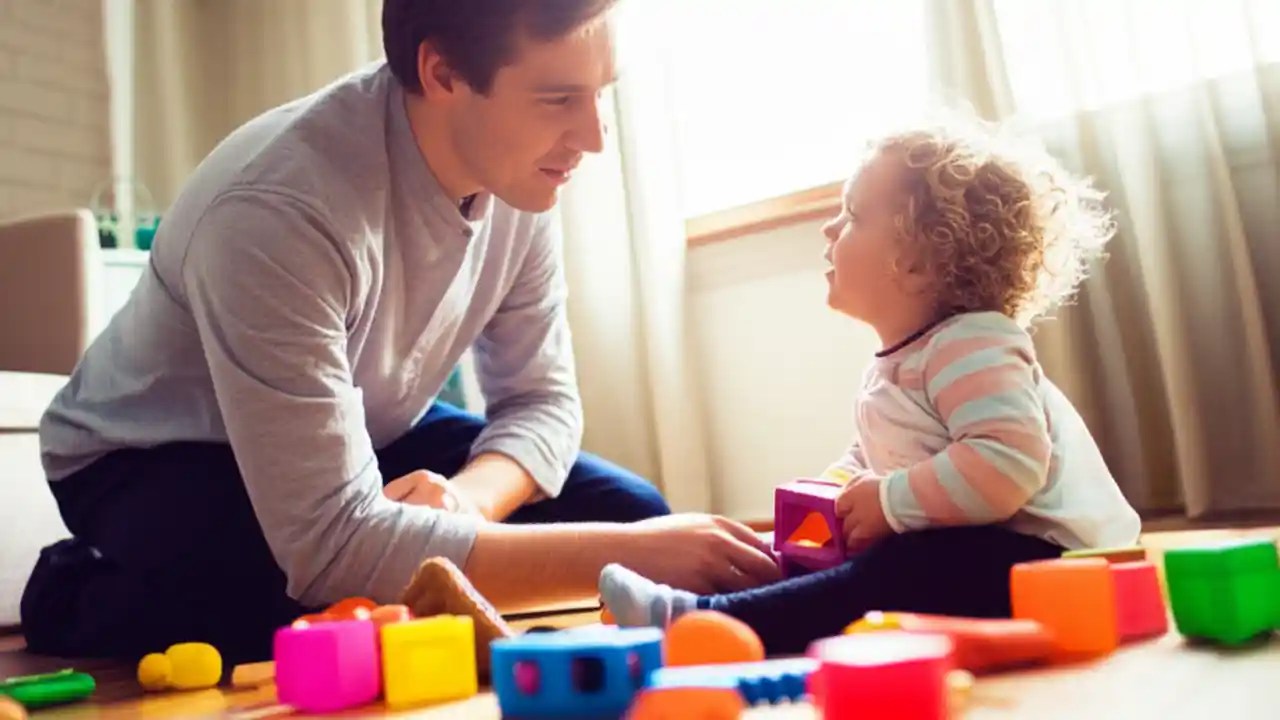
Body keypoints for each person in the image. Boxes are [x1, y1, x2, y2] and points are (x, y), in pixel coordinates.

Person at [21, 0, 780, 664]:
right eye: (558, 99)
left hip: (359, 422)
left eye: (600, 94)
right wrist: (623, 555)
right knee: (314, 606)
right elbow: (335, 549)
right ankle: (75, 589)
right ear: (442, 73)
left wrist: (467, 503)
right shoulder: (277, 211)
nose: (593, 138)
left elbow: (542, 404)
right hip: (152, 456)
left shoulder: (522, 174)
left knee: (633, 512)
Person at [599, 117, 1143, 654]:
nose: (829, 229)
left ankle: (705, 621)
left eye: (852, 216)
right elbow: (875, 457)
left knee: (900, 567)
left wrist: (888, 501)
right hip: (985, 554)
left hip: (1053, 566)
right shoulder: (901, 361)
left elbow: (1008, 463)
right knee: (844, 558)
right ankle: (741, 592)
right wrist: (833, 498)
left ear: (916, 265)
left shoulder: (972, 344)